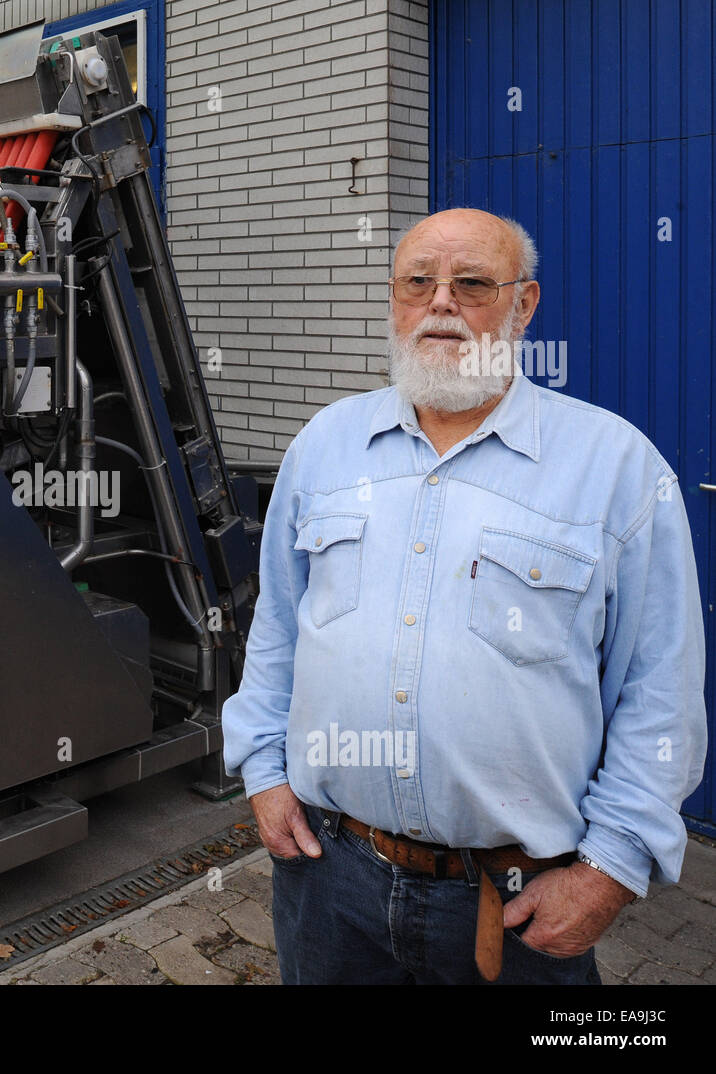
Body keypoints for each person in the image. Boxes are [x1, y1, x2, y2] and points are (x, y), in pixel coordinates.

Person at [222, 208, 707, 984]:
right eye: (419, 281)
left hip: (515, 902)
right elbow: (277, 628)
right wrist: (264, 773)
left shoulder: (616, 469)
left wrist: (610, 870)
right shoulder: (324, 446)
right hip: (329, 881)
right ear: (394, 299)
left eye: (472, 283)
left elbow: (662, 694)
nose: (440, 302)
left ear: (525, 304)